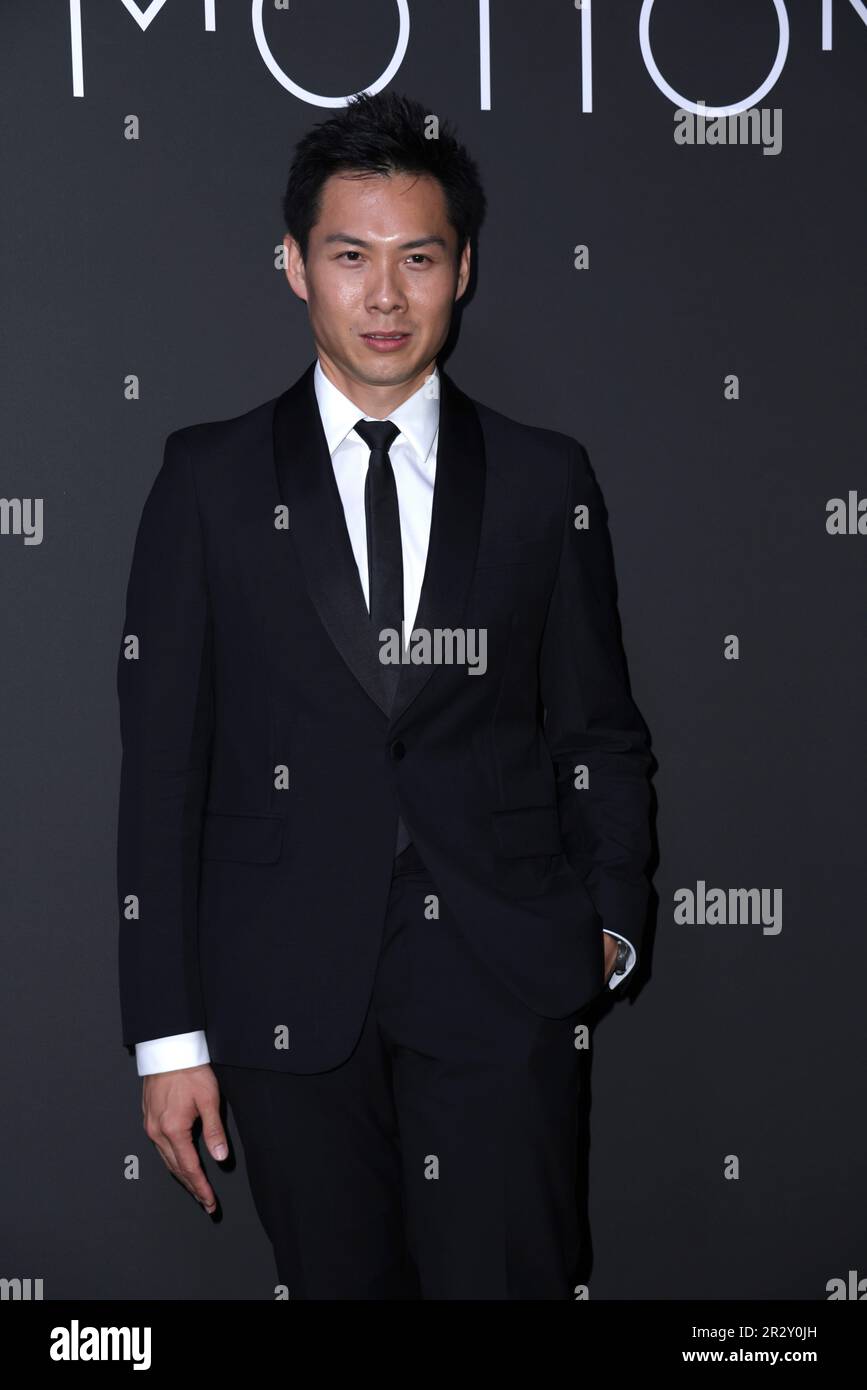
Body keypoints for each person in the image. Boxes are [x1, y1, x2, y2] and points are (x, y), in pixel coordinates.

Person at [117, 89, 654, 1300]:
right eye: (350, 257)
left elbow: (599, 729)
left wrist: (608, 925)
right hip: (284, 994)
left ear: (463, 268)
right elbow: (161, 771)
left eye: (417, 259)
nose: (385, 296)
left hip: (503, 978)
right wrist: (167, 1036)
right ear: (295, 265)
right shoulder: (206, 478)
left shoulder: (538, 477)